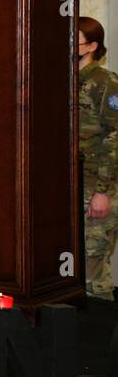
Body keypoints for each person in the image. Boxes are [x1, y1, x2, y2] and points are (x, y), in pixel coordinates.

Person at [78, 16, 118, 300]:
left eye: (75, 41)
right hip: (69, 184)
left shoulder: (104, 82)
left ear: (91, 46)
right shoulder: (62, 80)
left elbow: (115, 136)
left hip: (96, 185)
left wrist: (103, 192)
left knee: (93, 268)